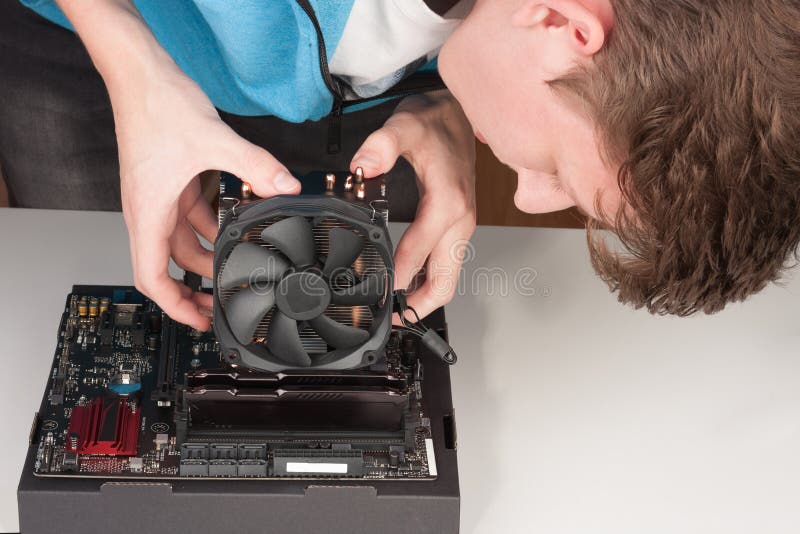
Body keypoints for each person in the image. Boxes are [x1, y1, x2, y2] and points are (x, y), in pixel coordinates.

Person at [2, 1, 798, 332]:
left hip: (365, 96)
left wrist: (444, 97)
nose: (521, 191)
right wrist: (124, 58)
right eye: (556, 165)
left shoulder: (542, 25)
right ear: (564, 25)